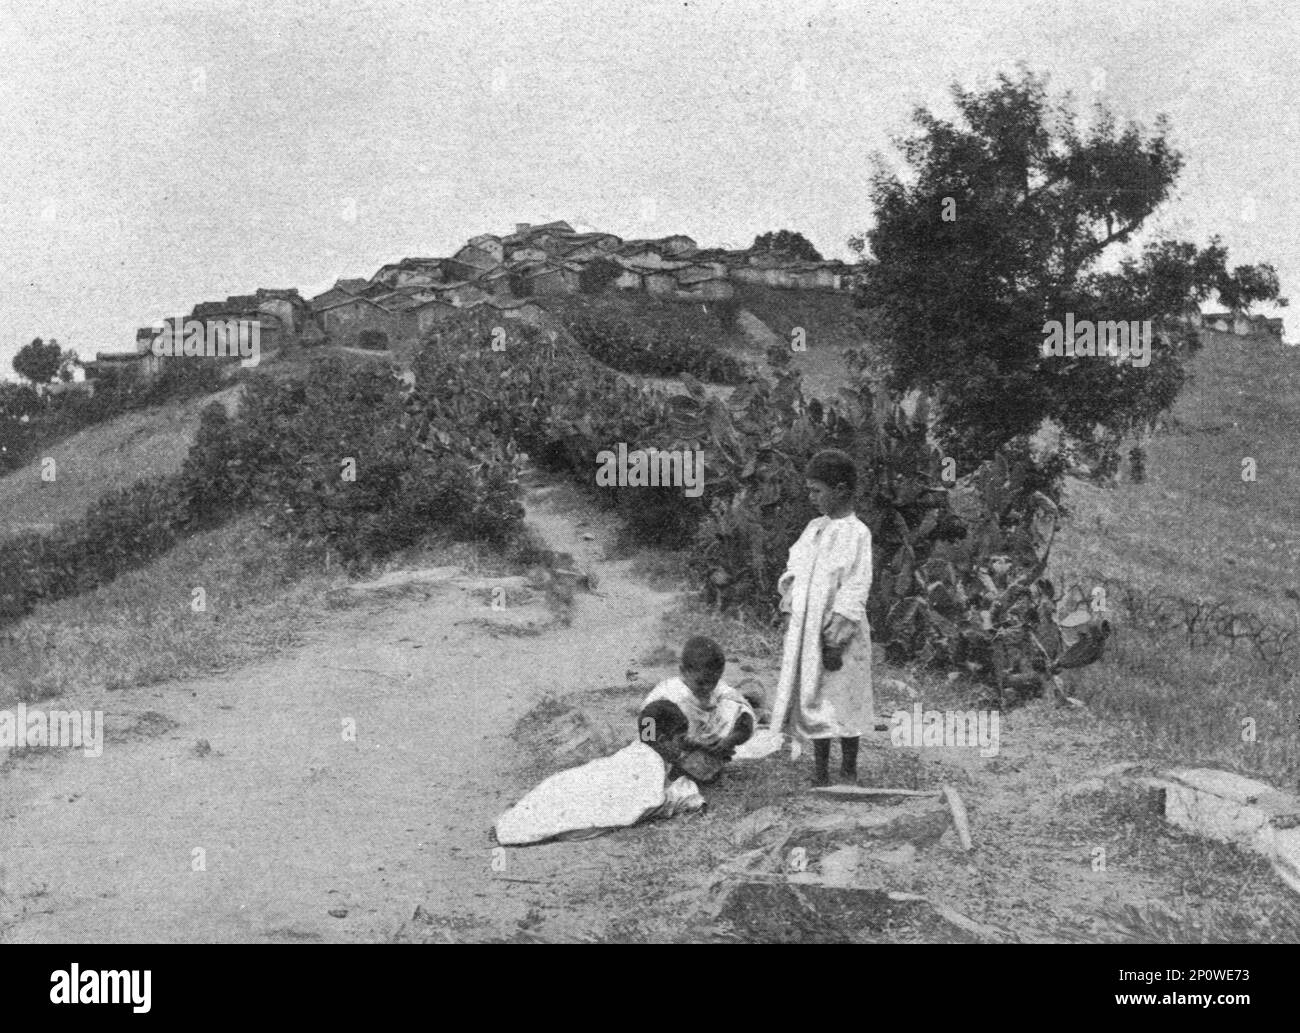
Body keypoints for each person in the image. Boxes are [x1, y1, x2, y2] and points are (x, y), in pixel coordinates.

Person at [770, 449, 874, 786]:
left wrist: (835, 638)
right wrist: (789, 602)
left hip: (838, 636)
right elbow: (795, 567)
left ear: (841, 490)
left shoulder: (857, 533)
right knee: (814, 698)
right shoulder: (814, 528)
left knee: (844, 699)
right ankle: (819, 769)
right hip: (807, 632)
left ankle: (848, 769)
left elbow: (855, 587)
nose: (812, 498)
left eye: (817, 491)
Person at [639, 636, 755, 784]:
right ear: (683, 671)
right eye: (701, 683)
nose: (707, 688)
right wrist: (670, 751)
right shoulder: (669, 694)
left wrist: (729, 740)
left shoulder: (719, 690)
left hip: (705, 747)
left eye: (712, 682)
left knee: (734, 705)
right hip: (671, 748)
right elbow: (646, 727)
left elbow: (745, 718)